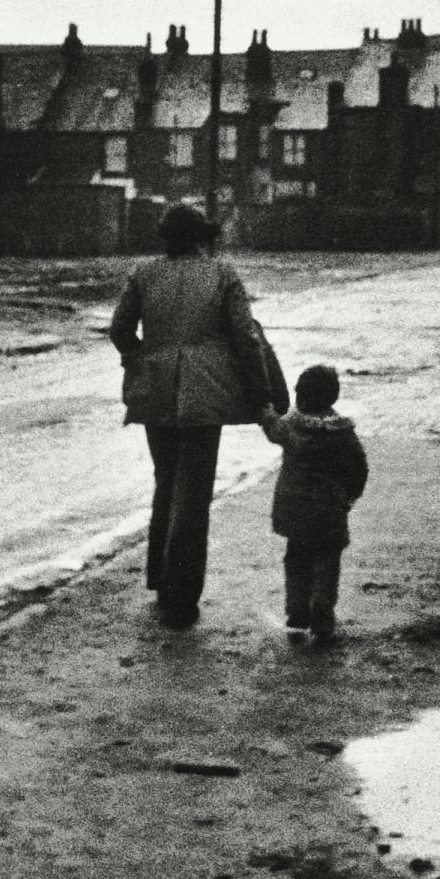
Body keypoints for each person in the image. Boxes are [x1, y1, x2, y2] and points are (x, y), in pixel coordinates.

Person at [108, 204, 275, 628]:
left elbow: (120, 331)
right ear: (202, 237)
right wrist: (261, 394)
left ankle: (160, 578)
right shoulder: (221, 273)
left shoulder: (143, 273)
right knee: (193, 494)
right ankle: (180, 595)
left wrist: (140, 359)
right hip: (206, 393)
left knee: (166, 481)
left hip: (155, 389)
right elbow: (246, 338)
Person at [260, 364, 368, 644]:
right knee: (328, 563)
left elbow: (272, 429)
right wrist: (350, 496)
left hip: (296, 510)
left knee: (297, 560)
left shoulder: (291, 427)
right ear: (333, 396)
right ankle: (322, 613)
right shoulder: (343, 432)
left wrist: (265, 410)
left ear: (299, 396)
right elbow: (359, 466)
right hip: (330, 510)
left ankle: (297, 614)